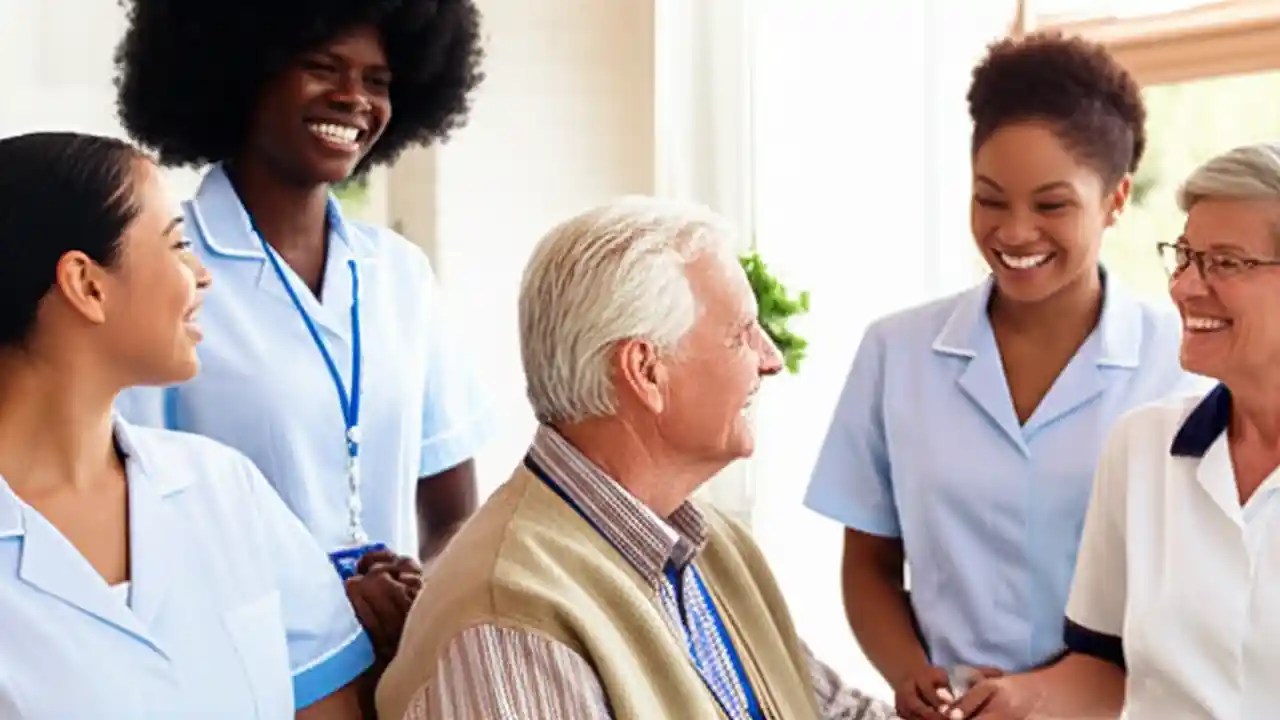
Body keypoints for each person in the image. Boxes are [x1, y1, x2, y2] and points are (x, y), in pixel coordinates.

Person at [803, 32, 1207, 720]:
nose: (1015, 232)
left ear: (1116, 199)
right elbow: (869, 562)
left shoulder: (1184, 364)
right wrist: (913, 677)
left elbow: (1197, 592)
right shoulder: (896, 352)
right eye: (990, 199)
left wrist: (1050, 693)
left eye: (1052, 205)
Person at [375, 197, 900, 719]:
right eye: (742, 334)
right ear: (646, 371)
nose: (771, 360)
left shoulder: (714, 546)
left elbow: (832, 712)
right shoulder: (509, 622)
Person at [110, 0, 494, 654]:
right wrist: (316, 602)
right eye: (323, 68)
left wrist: (422, 588)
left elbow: (454, 515)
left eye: (378, 81)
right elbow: (131, 528)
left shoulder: (401, 276)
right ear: (244, 71)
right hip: (241, 675)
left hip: (398, 671)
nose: (353, 99)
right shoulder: (161, 270)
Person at [0, 131, 375, 718]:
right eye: (177, 245)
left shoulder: (226, 489)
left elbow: (329, 702)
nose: (201, 275)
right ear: (87, 284)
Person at [947, 143, 1280, 719]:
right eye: (1184, 256)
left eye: (1224, 262)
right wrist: (1025, 697)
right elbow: (1104, 667)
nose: (1183, 287)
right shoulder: (1143, 447)